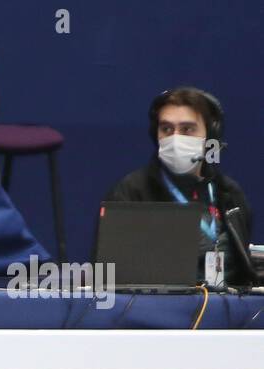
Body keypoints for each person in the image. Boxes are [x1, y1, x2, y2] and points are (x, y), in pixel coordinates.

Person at [104, 87, 254, 286]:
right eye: (166, 129)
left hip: (226, 311)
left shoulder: (229, 194)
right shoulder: (131, 191)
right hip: (154, 314)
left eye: (187, 129)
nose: (175, 138)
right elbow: (109, 277)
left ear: (210, 136)